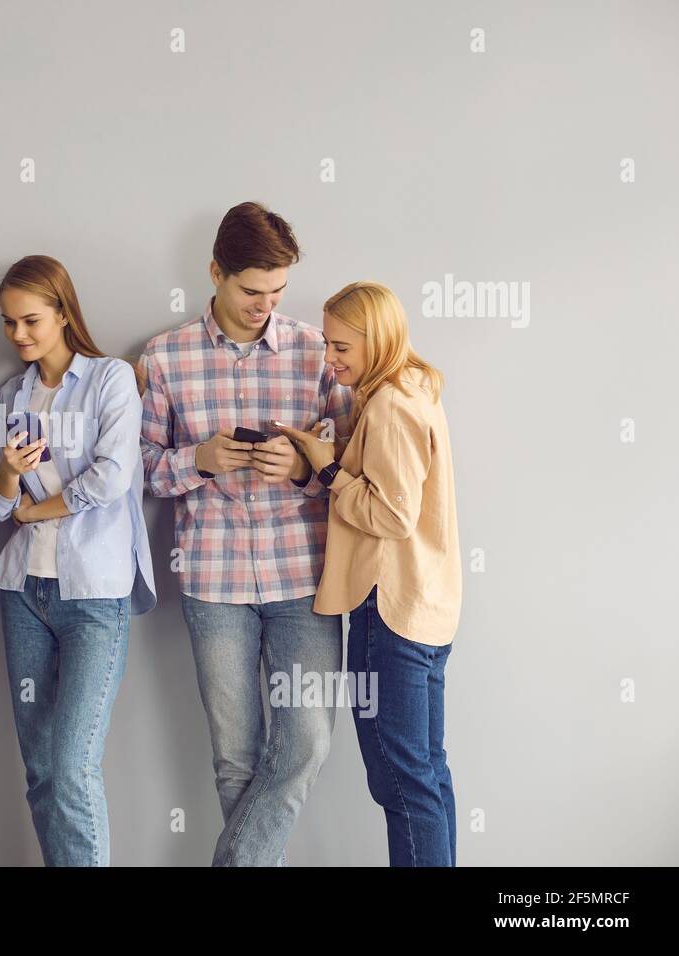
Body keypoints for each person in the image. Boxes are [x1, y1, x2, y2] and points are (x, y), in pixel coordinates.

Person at [138, 201, 352, 866]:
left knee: (308, 743)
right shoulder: (164, 357)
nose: (264, 304)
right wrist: (195, 461)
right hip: (213, 581)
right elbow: (142, 474)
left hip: (304, 578)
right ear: (216, 273)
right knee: (235, 757)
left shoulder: (316, 353)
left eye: (277, 292)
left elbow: (352, 461)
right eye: (251, 290)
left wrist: (305, 467)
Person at [274, 280, 461, 867]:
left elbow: (390, 515)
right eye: (329, 347)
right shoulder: (412, 389)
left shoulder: (389, 405)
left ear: (375, 342)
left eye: (341, 349)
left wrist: (327, 468)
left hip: (390, 612)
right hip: (423, 608)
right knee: (425, 775)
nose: (330, 361)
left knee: (402, 785)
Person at [0, 255, 156, 866]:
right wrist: (9, 474)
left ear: (63, 311)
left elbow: (112, 478)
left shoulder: (112, 380)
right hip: (23, 592)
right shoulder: (10, 395)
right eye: (8, 323)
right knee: (40, 765)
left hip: (94, 594)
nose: (19, 335)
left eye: (30, 320)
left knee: (73, 765)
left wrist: (38, 509)